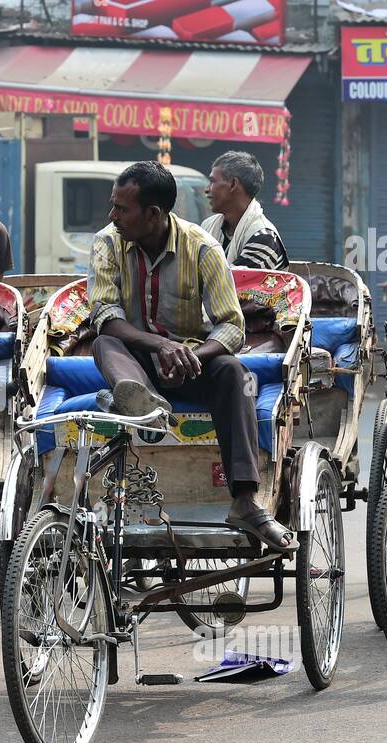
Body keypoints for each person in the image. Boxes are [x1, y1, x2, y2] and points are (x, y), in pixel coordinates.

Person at [87, 161, 297, 551]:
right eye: (113, 206)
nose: (112, 216)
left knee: (233, 371)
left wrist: (193, 355)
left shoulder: (201, 246)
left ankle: (245, 500)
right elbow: (105, 315)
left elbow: (231, 325)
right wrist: (160, 346)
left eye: (121, 208)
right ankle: (141, 402)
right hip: (134, 359)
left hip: (190, 361)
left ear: (153, 215)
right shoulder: (107, 242)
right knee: (104, 342)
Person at [201, 151, 288, 270]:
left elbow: (231, 284)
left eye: (212, 181)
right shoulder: (208, 226)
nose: (207, 189)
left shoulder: (263, 237)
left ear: (233, 184)